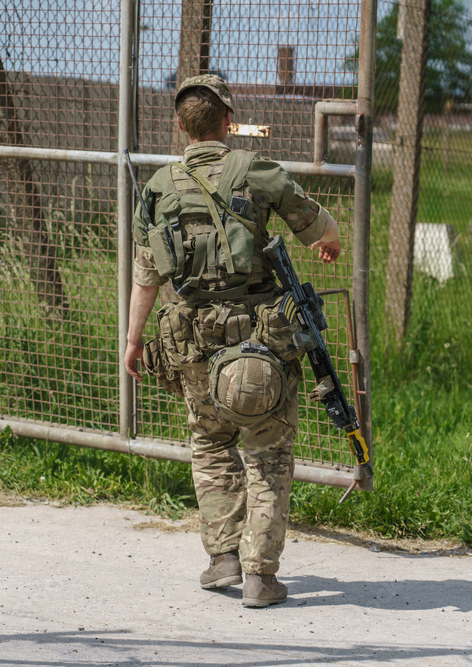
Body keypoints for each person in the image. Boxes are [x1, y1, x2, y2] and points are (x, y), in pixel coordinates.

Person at [123, 74, 341, 608]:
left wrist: (132, 341)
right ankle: (260, 577)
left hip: (190, 343)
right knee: (266, 454)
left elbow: (145, 275)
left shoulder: (157, 187)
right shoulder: (257, 172)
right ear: (228, 121)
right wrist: (328, 243)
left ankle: (222, 557)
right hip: (260, 341)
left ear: (180, 127)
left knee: (211, 443)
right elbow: (320, 226)